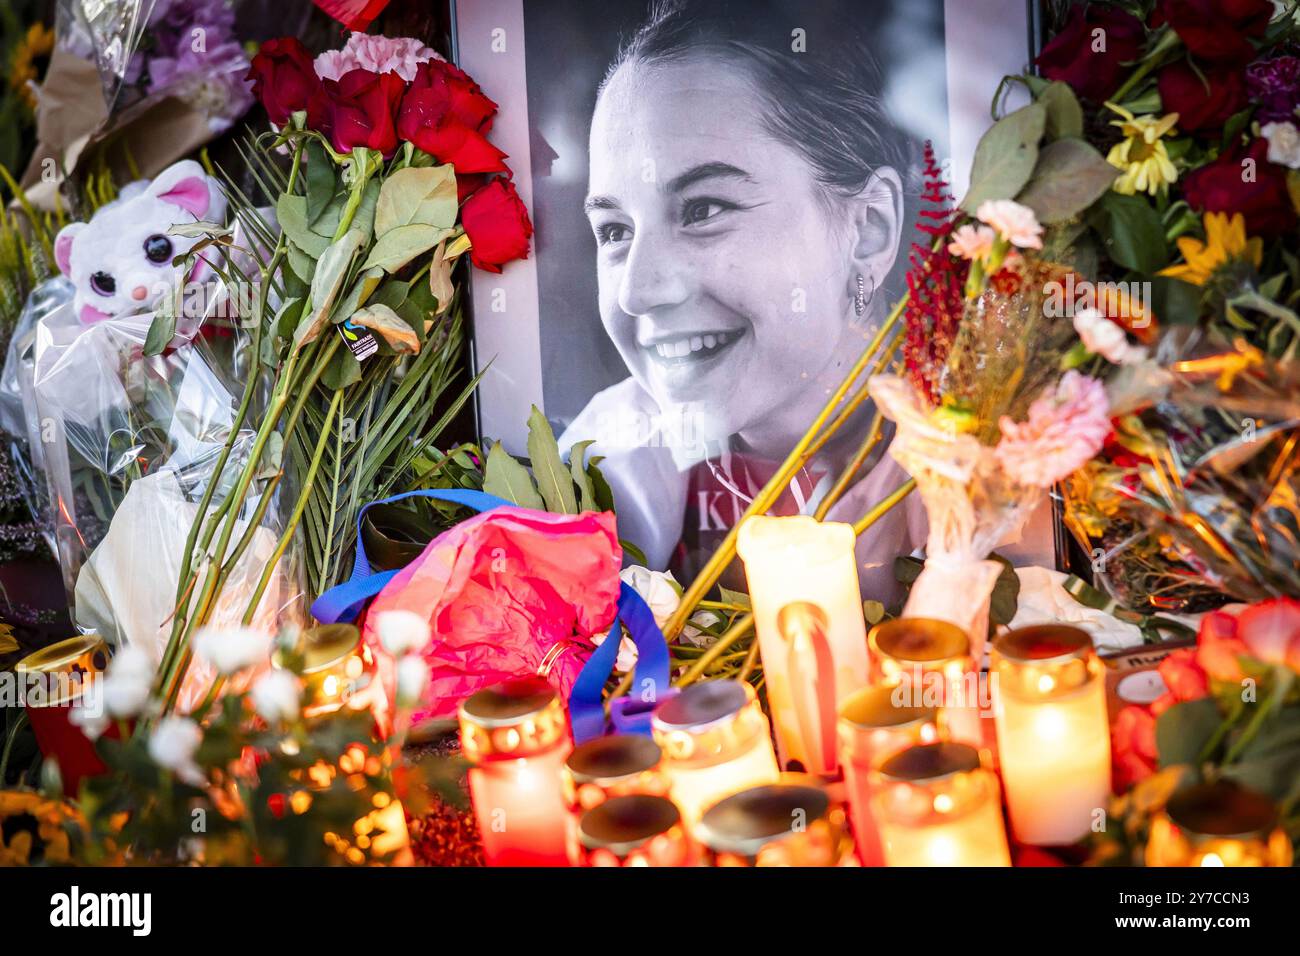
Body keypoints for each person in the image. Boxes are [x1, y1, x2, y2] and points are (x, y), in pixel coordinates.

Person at [559, 0, 928, 601]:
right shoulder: (602, 462)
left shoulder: (1004, 472)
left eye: (704, 209)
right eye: (615, 232)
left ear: (869, 228)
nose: (638, 290)